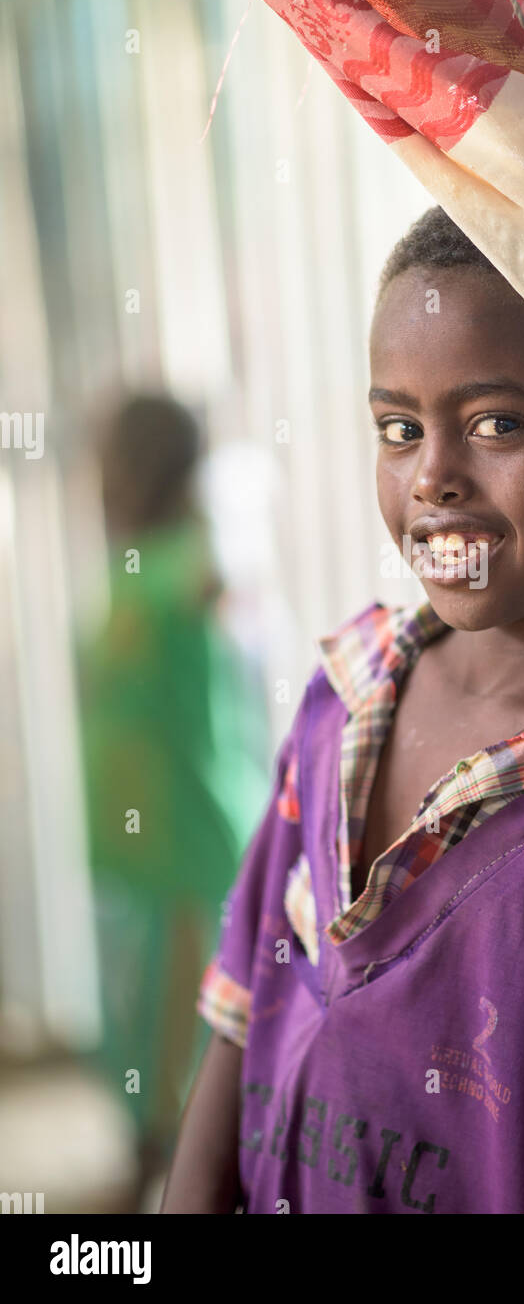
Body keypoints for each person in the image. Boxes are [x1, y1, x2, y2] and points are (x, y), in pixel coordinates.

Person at [161, 208, 524, 1215]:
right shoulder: (343, 698)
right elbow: (238, 1022)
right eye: (398, 429)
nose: (431, 476)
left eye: (496, 424)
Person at [79, 393, 270, 1212]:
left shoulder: (191, 565)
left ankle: (172, 1165)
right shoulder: (134, 558)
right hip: (131, 844)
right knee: (142, 1008)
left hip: (188, 838)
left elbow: (225, 601)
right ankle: (154, 1152)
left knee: (187, 1020)